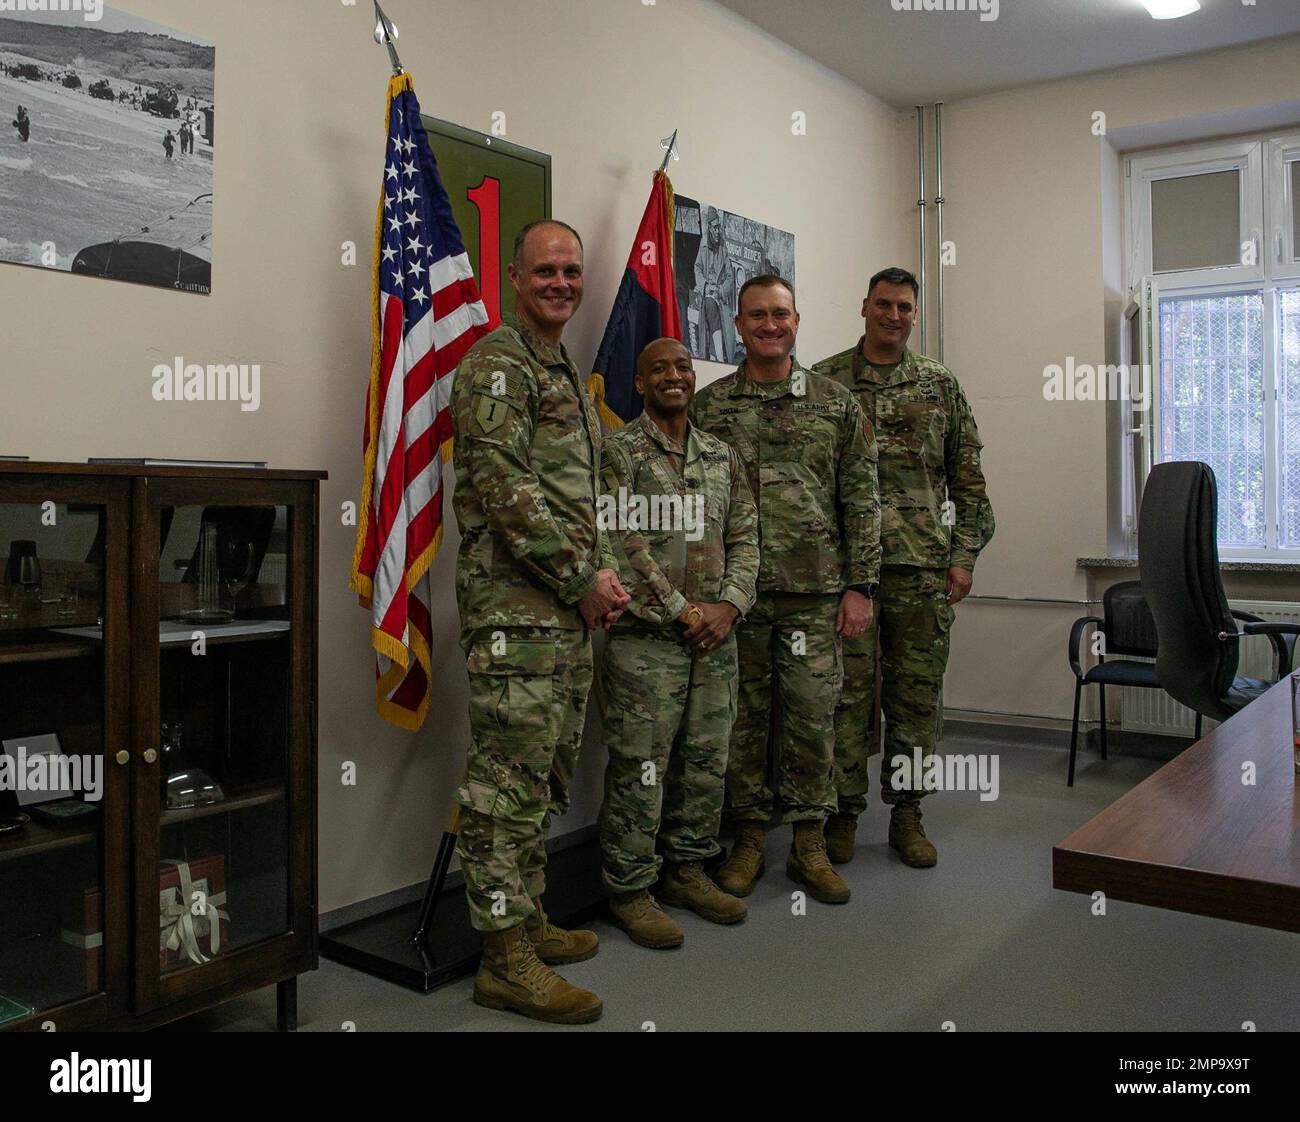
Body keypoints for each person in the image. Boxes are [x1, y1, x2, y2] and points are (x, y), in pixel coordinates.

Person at [450, 220, 630, 1025]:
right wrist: (578, 578)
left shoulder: (558, 366)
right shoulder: (498, 363)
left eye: (572, 271)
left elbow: (576, 498)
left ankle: (526, 920)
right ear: (515, 279)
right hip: (515, 613)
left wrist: (602, 575)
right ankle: (502, 959)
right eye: (546, 270)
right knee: (504, 786)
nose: (561, 283)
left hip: (560, 613)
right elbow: (503, 488)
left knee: (542, 777)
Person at [689, 275, 880, 905]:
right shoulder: (710, 407)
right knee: (741, 722)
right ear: (738, 325)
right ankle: (747, 838)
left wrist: (861, 585)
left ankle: (808, 843)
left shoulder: (836, 404)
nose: (769, 325)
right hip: (735, 599)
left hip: (814, 595)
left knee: (811, 719)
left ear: (797, 321)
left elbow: (862, 499)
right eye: (756, 316)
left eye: (780, 314)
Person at [812, 267, 994, 868]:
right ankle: (842, 813)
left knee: (915, 700)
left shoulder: (939, 384)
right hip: (847, 577)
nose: (894, 316)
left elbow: (969, 482)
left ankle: (908, 813)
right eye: (884, 304)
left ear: (915, 315)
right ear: (864, 306)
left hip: (921, 571)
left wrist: (963, 558)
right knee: (844, 698)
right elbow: (809, 483)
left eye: (905, 308)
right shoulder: (826, 383)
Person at [598, 337, 759, 948]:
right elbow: (622, 543)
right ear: (639, 383)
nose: (674, 375)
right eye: (659, 368)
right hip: (647, 641)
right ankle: (630, 888)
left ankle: (688, 870)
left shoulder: (721, 455)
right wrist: (685, 611)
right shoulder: (619, 453)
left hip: (716, 639)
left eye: (683, 367)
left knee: (706, 761)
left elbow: (746, 535)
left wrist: (730, 605)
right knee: (641, 768)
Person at [693, 207, 736, 362]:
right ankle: (719, 355)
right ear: (709, 228)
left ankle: (714, 355)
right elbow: (697, 267)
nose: (718, 231)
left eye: (719, 227)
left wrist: (721, 290)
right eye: (715, 227)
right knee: (710, 304)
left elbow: (730, 276)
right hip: (706, 293)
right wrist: (704, 286)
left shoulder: (723, 249)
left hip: (720, 295)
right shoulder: (703, 246)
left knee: (720, 311)